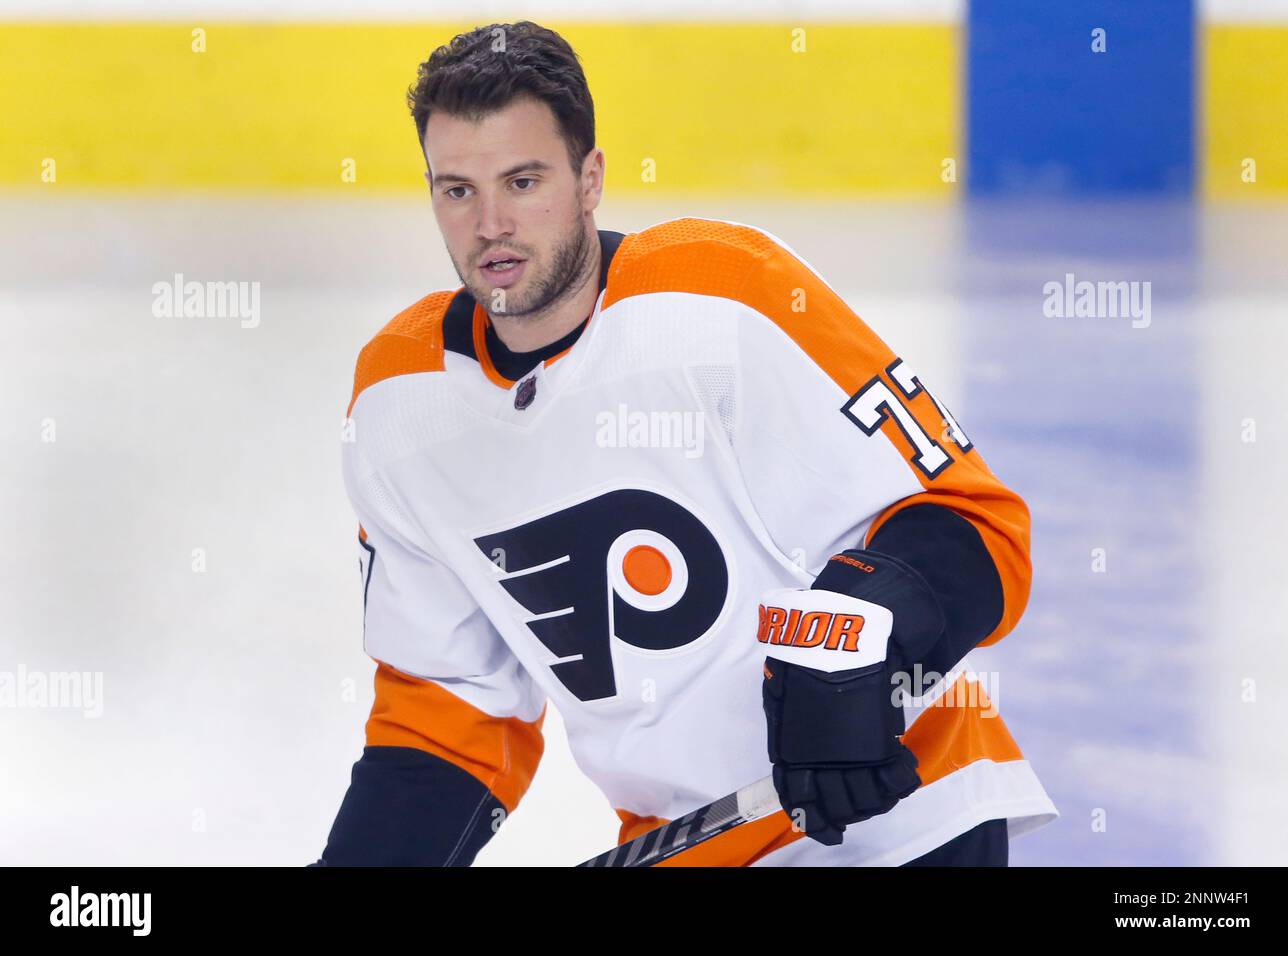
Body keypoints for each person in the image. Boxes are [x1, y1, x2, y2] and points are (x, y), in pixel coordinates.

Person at [314, 20, 1057, 867]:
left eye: (523, 182)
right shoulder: (398, 404)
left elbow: (975, 525)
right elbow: (449, 711)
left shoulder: (726, 297)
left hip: (906, 807)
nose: (491, 225)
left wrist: (858, 643)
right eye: (457, 190)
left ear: (589, 178)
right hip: (692, 848)